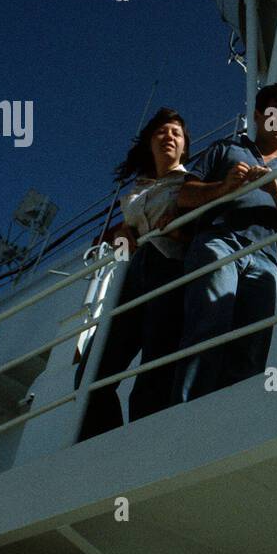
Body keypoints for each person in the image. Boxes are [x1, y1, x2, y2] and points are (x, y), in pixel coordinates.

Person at [171, 83, 277, 403]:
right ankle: (185, 413)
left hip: (265, 259)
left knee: (252, 346)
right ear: (260, 116)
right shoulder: (226, 149)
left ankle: (234, 416)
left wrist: (275, 191)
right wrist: (225, 186)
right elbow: (183, 196)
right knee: (210, 322)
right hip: (221, 241)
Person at [77, 108, 192, 440]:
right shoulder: (136, 192)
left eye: (176, 133)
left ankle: (146, 445)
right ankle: (105, 448)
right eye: (161, 132)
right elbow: (128, 236)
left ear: (184, 146)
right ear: (150, 143)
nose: (168, 136)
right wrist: (124, 233)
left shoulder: (190, 182)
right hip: (130, 277)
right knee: (90, 375)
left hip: (168, 269)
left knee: (156, 367)